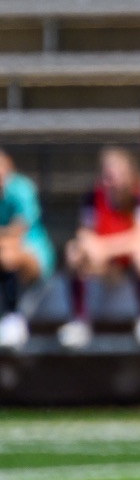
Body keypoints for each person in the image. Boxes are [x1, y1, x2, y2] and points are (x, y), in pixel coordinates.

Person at [59, 145, 140, 350]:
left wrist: (104, 248)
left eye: (113, 174)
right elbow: (85, 233)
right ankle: (79, 320)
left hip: (133, 260)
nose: (108, 180)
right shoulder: (92, 196)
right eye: (105, 174)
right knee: (74, 252)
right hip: (106, 262)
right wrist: (90, 247)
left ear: (127, 174)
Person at [0, 147, 55, 351]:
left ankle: (13, 316)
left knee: (6, 253)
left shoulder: (21, 189)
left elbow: (18, 230)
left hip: (34, 256)